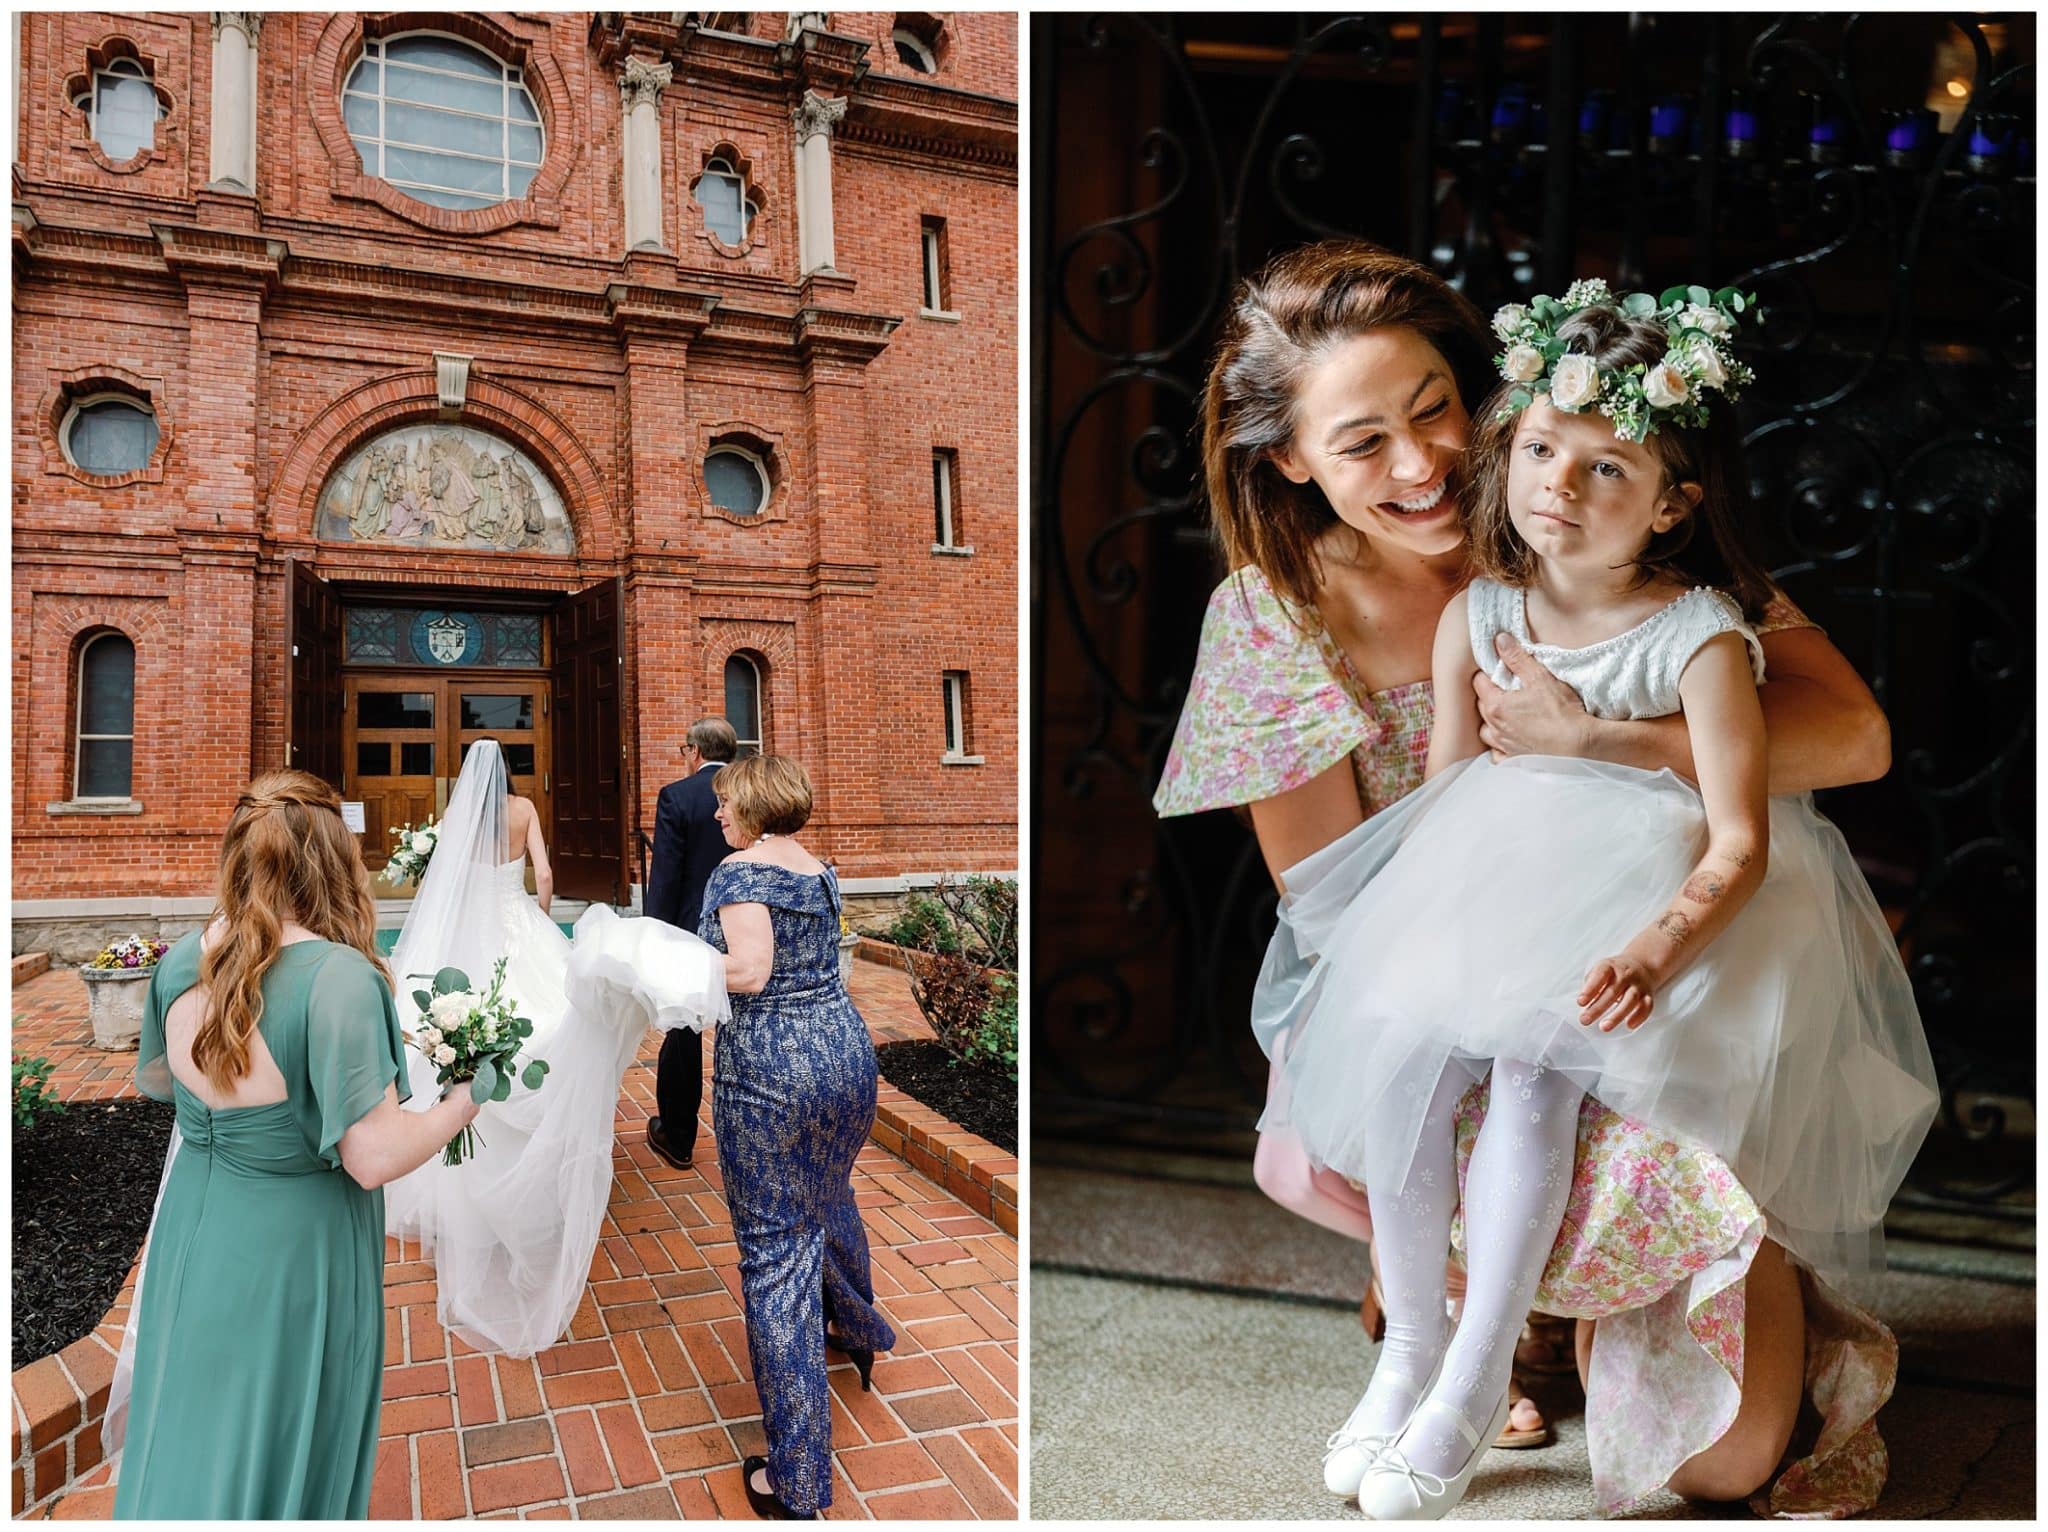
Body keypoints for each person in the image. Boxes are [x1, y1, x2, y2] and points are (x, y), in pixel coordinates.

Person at [1155, 241, 1902, 1516]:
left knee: (1723, 1460)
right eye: (1359, 443)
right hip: (1448, 973)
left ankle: (1650, 1273)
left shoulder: (1603, 531)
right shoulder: (1271, 614)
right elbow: (1332, 905)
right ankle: (1461, 1309)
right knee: (1334, 1128)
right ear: (1288, 460)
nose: (1418, 463)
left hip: (1654, 969)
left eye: (1436, 408)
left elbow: (1854, 736)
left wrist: (1604, 739)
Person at [110, 772, 481, 1518]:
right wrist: (467, 1100)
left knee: (192, 1428)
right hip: (293, 1255)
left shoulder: (184, 957)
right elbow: (371, 1156)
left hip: (193, 1233)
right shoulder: (337, 979)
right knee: (288, 1441)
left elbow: (162, 1081)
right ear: (334, 862)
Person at [379, 737, 728, 1355]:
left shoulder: (460, 821)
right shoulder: (525, 811)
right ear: (509, 773)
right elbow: (544, 874)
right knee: (541, 1021)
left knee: (449, 1032)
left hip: (470, 934)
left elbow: (449, 886)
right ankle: (532, 1159)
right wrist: (537, 916)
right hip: (518, 925)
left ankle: (456, 1149)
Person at [699, 755, 896, 1520]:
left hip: (772, 1071)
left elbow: (746, 971)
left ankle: (798, 1482)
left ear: (750, 805)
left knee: (774, 1255)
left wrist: (661, 961)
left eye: (724, 804)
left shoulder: (739, 871)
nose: (718, 816)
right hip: (845, 1056)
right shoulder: (819, 870)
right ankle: (854, 1328)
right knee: (830, 1195)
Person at [643, 717, 741, 1168]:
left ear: (694, 752)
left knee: (684, 1030)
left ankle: (678, 1137)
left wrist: (653, 935)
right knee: (744, 1027)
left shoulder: (677, 796)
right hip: (747, 926)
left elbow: (665, 875)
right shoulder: (751, 790)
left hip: (690, 929)